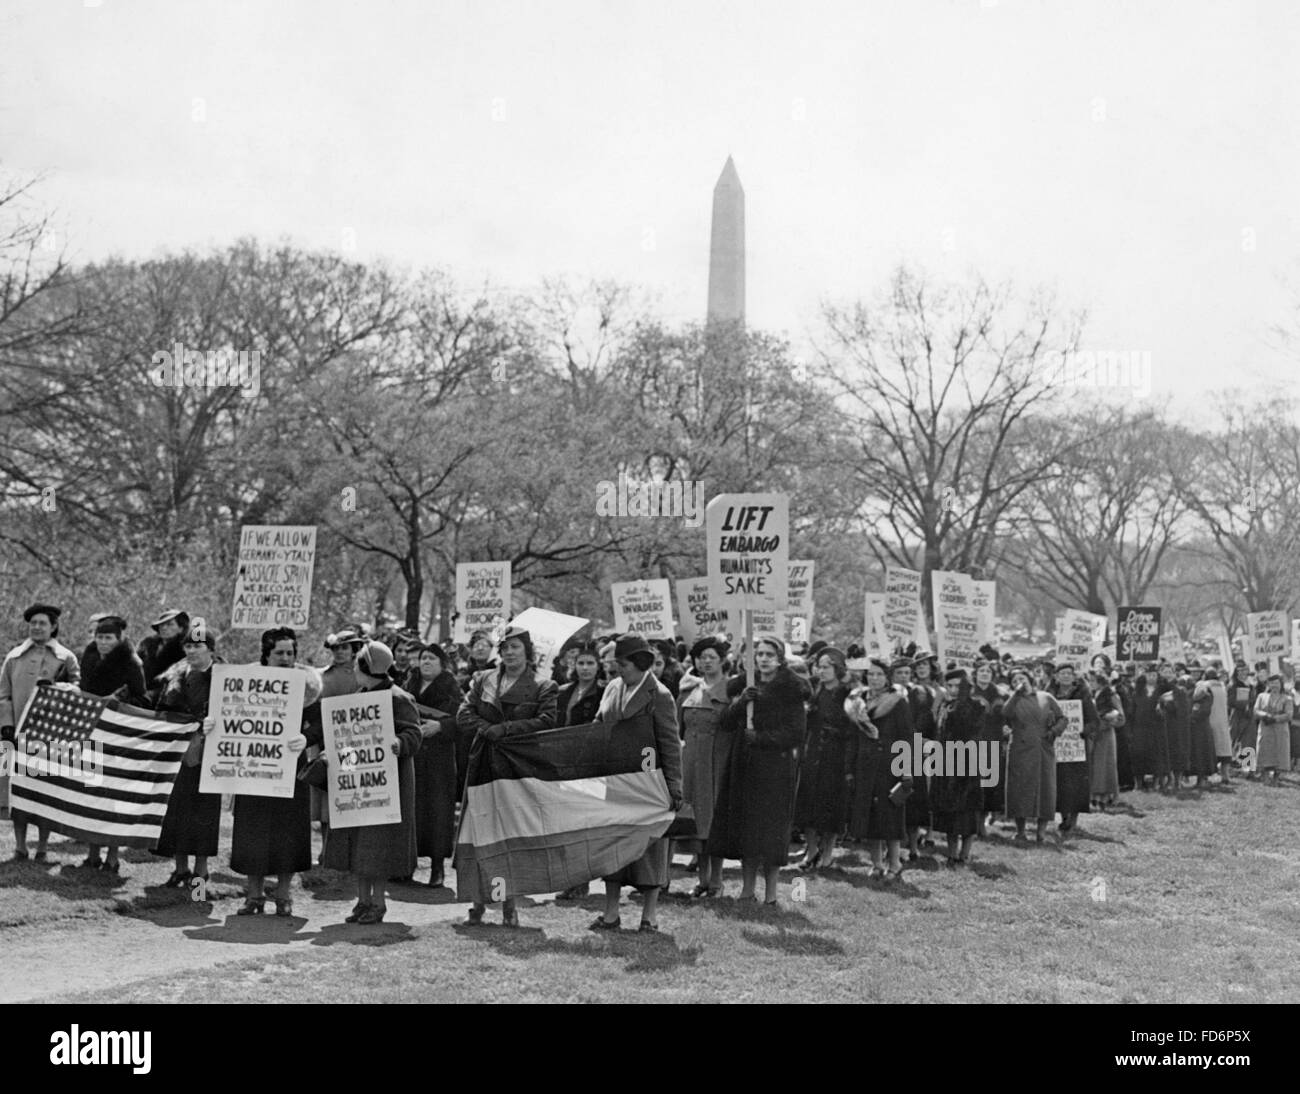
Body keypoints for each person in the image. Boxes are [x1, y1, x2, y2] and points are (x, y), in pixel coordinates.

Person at [456, 626, 559, 927]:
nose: (510, 653)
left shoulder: (543, 685)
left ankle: (509, 905)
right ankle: (477, 902)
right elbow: (463, 714)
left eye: (515, 647)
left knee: (511, 833)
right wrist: (485, 728)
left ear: (528, 652)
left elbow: (547, 720)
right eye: (505, 648)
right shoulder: (483, 679)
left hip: (517, 768)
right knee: (478, 831)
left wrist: (507, 730)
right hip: (482, 763)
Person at [322, 641, 423, 924]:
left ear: (367, 667)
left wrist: (397, 742)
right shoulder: (359, 694)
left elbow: (414, 734)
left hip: (387, 785)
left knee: (378, 847)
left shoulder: (398, 697)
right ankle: (362, 900)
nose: (353, 667)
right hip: (358, 782)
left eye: (357, 663)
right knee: (359, 845)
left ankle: (378, 903)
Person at [590, 635, 684, 932]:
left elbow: (670, 744)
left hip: (649, 783)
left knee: (650, 847)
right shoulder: (613, 689)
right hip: (616, 781)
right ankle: (611, 913)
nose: (618, 669)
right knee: (614, 845)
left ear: (641, 663)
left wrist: (674, 786)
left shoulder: (660, 695)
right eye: (616, 663)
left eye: (624, 664)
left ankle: (649, 916)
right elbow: (598, 724)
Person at [708, 635, 807, 903]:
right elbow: (725, 723)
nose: (763, 659)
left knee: (771, 830)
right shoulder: (744, 685)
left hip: (775, 766)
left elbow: (796, 732)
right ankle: (747, 889)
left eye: (768, 654)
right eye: (759, 654)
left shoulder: (791, 689)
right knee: (747, 828)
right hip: (745, 765)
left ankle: (772, 893)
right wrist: (741, 702)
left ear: (780, 659)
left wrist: (762, 738)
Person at [227, 628, 315, 916]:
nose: (286, 658)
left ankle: (284, 894)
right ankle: (254, 895)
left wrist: (307, 738)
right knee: (253, 830)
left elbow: (319, 722)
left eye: (291, 653)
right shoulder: (247, 679)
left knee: (288, 831)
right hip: (254, 767)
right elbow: (229, 713)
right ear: (266, 654)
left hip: (290, 767)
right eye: (280, 653)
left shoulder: (307, 684)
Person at [1, 604, 81, 861]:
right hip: (16, 733)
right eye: (33, 623)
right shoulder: (14, 656)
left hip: (50, 734)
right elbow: (4, 694)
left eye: (42, 623)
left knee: (44, 791)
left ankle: (43, 847)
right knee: (18, 790)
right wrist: (7, 724)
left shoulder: (65, 657)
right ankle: (20, 845)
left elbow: (78, 689)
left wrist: (59, 687)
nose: (37, 627)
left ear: (53, 627)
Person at [153, 620, 222, 889]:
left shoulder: (222, 678)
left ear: (211, 651)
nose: (192, 652)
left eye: (198, 646)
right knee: (176, 810)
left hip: (210, 754)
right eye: (188, 646)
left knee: (203, 812)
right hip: (178, 751)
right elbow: (161, 708)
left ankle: (201, 874)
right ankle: (180, 868)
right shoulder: (175, 676)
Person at [78, 614, 148, 873]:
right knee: (92, 792)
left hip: (118, 736)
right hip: (92, 732)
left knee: (114, 796)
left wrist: (118, 700)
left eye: (108, 638)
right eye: (99, 637)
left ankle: (113, 855)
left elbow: (142, 699)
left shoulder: (132, 662)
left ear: (119, 640)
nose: (103, 642)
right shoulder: (89, 657)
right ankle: (92, 852)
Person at [844, 657, 913, 880]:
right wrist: (850, 767)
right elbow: (853, 737)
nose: (874, 679)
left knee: (890, 815)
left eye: (879, 674)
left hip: (889, 765)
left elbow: (906, 738)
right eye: (871, 674)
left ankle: (894, 863)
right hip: (864, 764)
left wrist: (906, 770)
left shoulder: (897, 702)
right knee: (869, 816)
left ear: (887, 677)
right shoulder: (857, 700)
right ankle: (876, 863)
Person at [676, 636, 731, 897]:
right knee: (695, 819)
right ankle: (702, 879)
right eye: (700, 657)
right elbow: (677, 726)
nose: (705, 662)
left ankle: (717, 880)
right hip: (691, 763)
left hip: (718, 762)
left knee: (715, 820)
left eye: (711, 656)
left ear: (722, 660)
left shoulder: (731, 690)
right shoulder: (688, 690)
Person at [408, 641, 465, 888]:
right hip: (413, 757)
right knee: (411, 810)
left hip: (439, 760)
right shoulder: (409, 684)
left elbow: (464, 719)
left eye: (432, 658)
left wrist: (441, 727)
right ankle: (406, 865)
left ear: (442, 664)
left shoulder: (451, 687)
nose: (426, 663)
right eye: (423, 658)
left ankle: (437, 868)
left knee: (438, 813)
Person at [792, 647, 854, 872]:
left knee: (831, 805)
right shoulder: (814, 689)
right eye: (819, 666)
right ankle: (812, 849)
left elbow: (853, 727)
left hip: (835, 755)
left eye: (827, 667)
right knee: (807, 803)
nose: (822, 670)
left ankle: (827, 851)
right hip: (813, 752)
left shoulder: (847, 693)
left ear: (837, 668)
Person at [554, 643, 607, 901]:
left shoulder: (605, 692)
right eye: (581, 663)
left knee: (586, 823)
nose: (585, 668)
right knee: (566, 822)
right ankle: (570, 878)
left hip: (592, 765)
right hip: (565, 762)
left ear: (598, 666)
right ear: (574, 666)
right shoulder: (563, 692)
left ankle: (583, 879)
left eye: (590, 663)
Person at [1001, 664, 1066, 845]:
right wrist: (1015, 694)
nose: (1019, 683)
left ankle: (1041, 833)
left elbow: (1063, 718)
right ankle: (1020, 831)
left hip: (1043, 747)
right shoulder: (1012, 700)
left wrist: (1054, 732)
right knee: (1019, 788)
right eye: (1014, 681)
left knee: (1045, 788)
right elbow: (1005, 713)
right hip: (1020, 749)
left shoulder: (1045, 697)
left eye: (1022, 679)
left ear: (1030, 680)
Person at [930, 669, 984, 866]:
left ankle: (965, 853)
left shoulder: (975, 705)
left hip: (967, 761)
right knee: (948, 810)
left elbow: (973, 732)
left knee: (967, 810)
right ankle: (952, 853)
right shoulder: (945, 705)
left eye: (957, 686)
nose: (953, 690)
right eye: (950, 686)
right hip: (945, 762)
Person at [1048, 663, 1096, 834]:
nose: (1066, 676)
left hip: (1077, 746)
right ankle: (1064, 817)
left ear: (1074, 677)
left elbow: (1093, 720)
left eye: (1069, 673)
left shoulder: (1083, 695)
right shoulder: (1049, 695)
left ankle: (1073, 819)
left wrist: (1085, 731)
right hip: (1057, 745)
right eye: (1063, 673)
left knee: (1076, 784)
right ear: (1056, 676)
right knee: (1059, 782)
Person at [1087, 668, 1123, 810]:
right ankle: (1094, 796)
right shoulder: (1093, 694)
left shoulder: (1112, 694)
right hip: (1094, 733)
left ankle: (1106, 797)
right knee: (1095, 765)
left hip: (1106, 733)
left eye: (1092, 681)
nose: (1090, 684)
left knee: (1105, 765)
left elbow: (1121, 717)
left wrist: (1107, 721)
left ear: (1100, 682)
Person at [137, 610, 189, 703]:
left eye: (170, 624)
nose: (164, 628)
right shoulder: (147, 645)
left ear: (181, 628)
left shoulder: (186, 649)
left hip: (167, 695)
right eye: (161, 625)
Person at [1155, 662, 1191, 792]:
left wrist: (1166, 703)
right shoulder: (1157, 688)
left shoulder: (1180, 689)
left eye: (1170, 672)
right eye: (1165, 672)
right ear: (1160, 673)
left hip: (1175, 726)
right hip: (1160, 725)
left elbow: (1183, 708)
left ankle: (1177, 780)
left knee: (1177, 752)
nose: (1167, 674)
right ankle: (1165, 780)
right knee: (1163, 752)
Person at [1253, 673, 1292, 786]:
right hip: (1265, 728)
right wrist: (1265, 716)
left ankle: (1276, 778)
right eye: (1272, 683)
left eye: (1277, 683)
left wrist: (1275, 718)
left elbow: (1289, 715)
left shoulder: (1287, 698)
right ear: (1268, 684)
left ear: (1281, 684)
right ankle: (1264, 777)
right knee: (1264, 750)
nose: (1274, 686)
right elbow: (1256, 710)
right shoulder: (1261, 696)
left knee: (1279, 752)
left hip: (1280, 729)